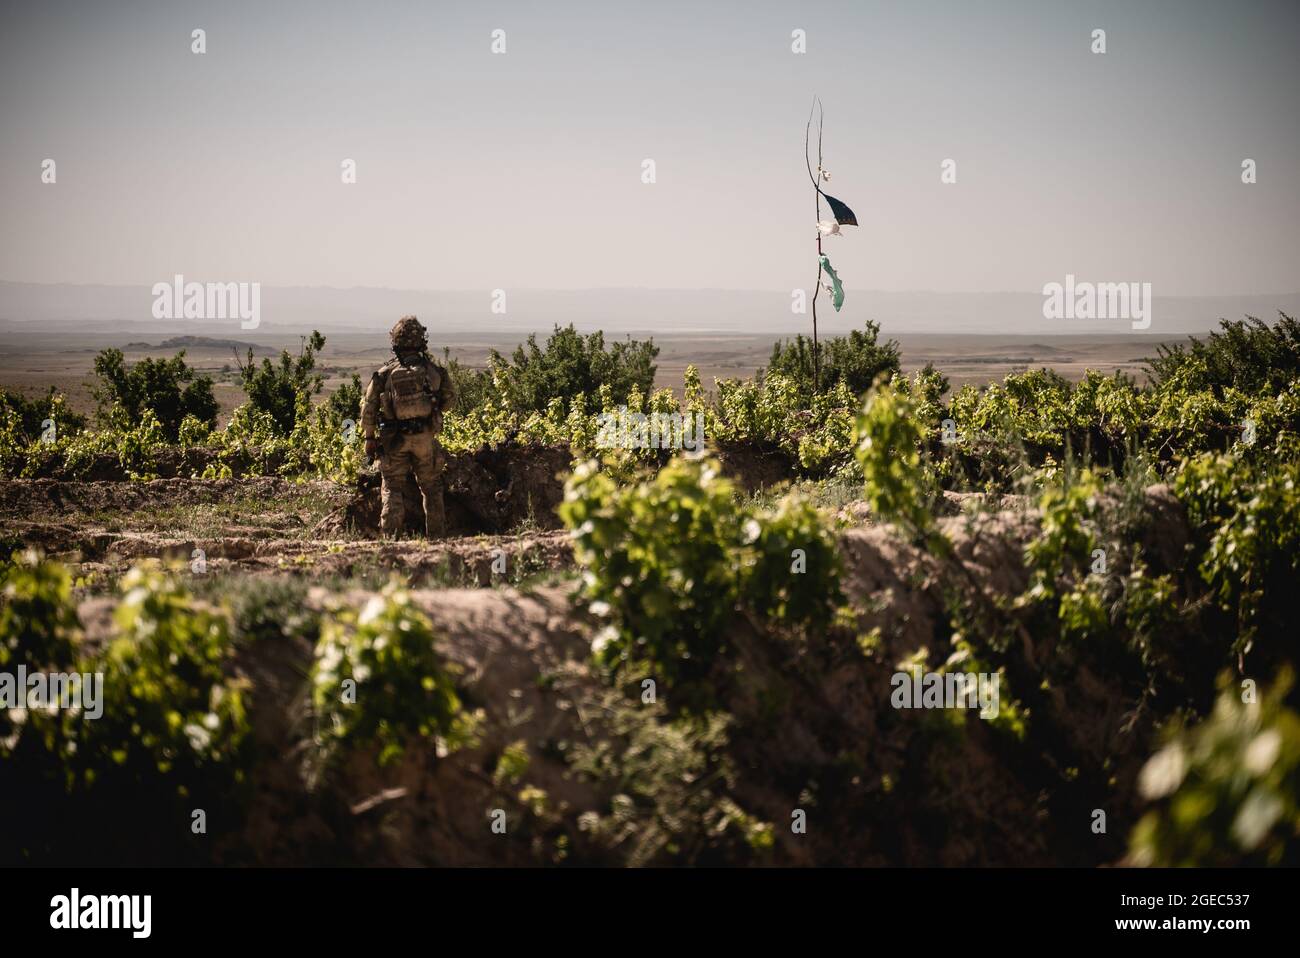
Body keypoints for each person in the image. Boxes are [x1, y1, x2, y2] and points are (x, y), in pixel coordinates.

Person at [360, 316, 455, 537]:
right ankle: (436, 540)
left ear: (396, 341)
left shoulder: (384, 374)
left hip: (394, 440)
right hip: (424, 439)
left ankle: (391, 540)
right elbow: (449, 401)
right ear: (422, 340)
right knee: (431, 488)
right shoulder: (433, 371)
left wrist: (369, 438)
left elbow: (368, 410)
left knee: (392, 488)